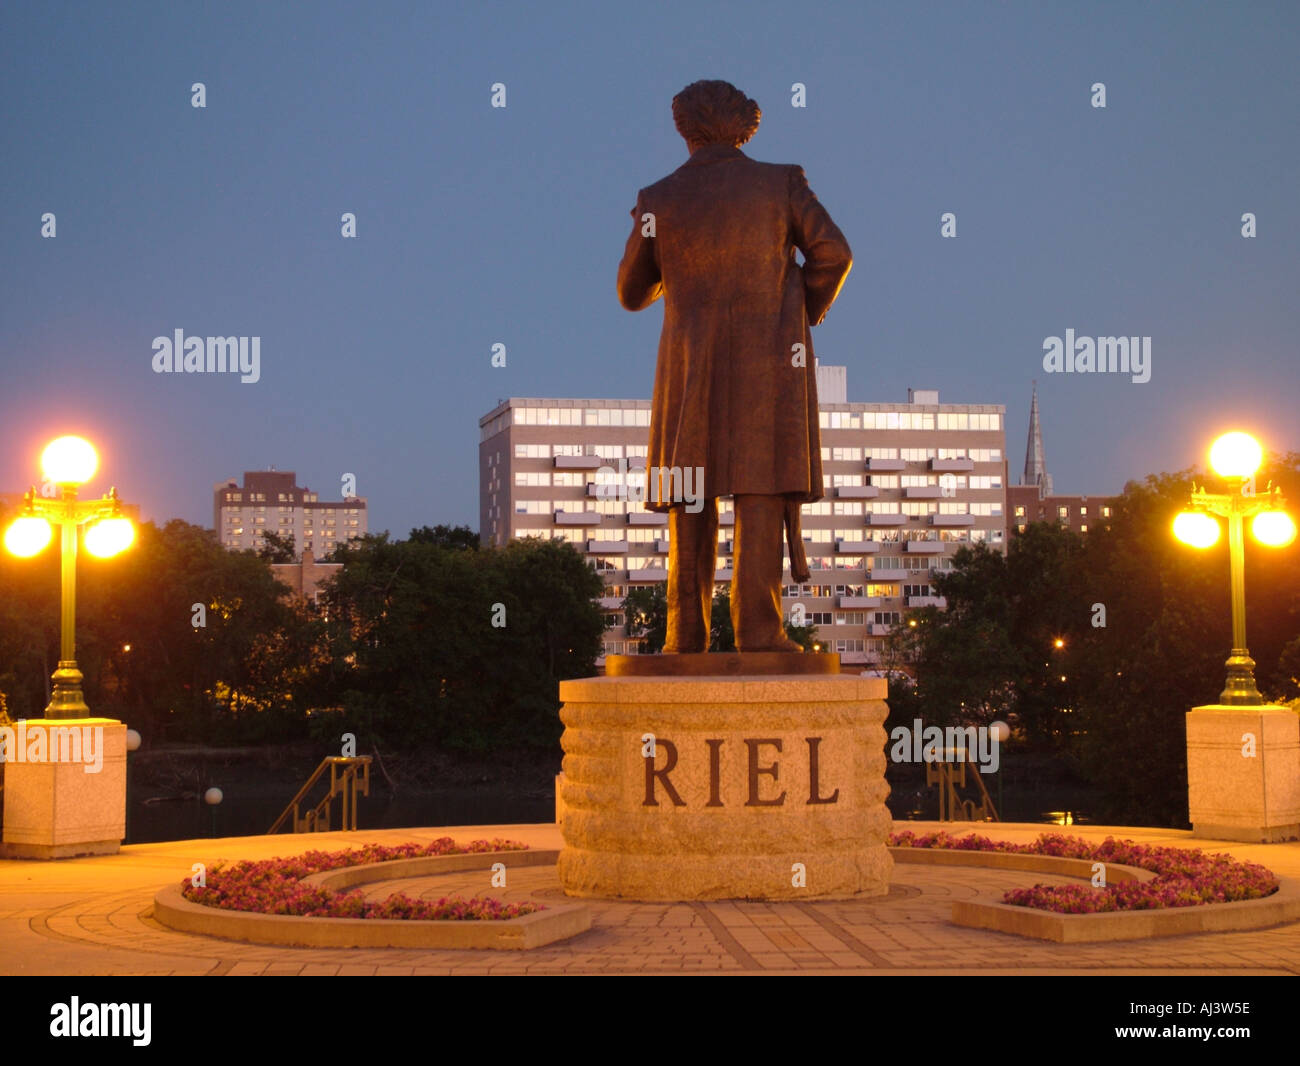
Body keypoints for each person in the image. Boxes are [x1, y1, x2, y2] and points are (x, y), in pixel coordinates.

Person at [617, 79, 852, 653]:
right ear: (748, 125)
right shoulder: (781, 183)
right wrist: (800, 306)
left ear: (683, 127)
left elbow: (630, 290)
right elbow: (834, 253)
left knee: (689, 496)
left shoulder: (659, 198)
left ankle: (683, 636)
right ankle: (760, 634)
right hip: (767, 365)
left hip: (689, 370)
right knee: (761, 490)